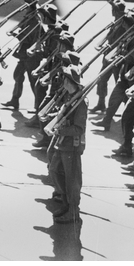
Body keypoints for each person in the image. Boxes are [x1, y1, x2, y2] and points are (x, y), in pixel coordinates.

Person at [47, 65, 87, 224]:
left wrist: (59, 130)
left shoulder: (80, 103)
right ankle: (65, 203)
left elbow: (78, 128)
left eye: (64, 78)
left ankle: (72, 211)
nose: (61, 80)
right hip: (62, 143)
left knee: (72, 181)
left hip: (71, 146)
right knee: (54, 170)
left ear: (70, 81)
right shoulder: (70, 97)